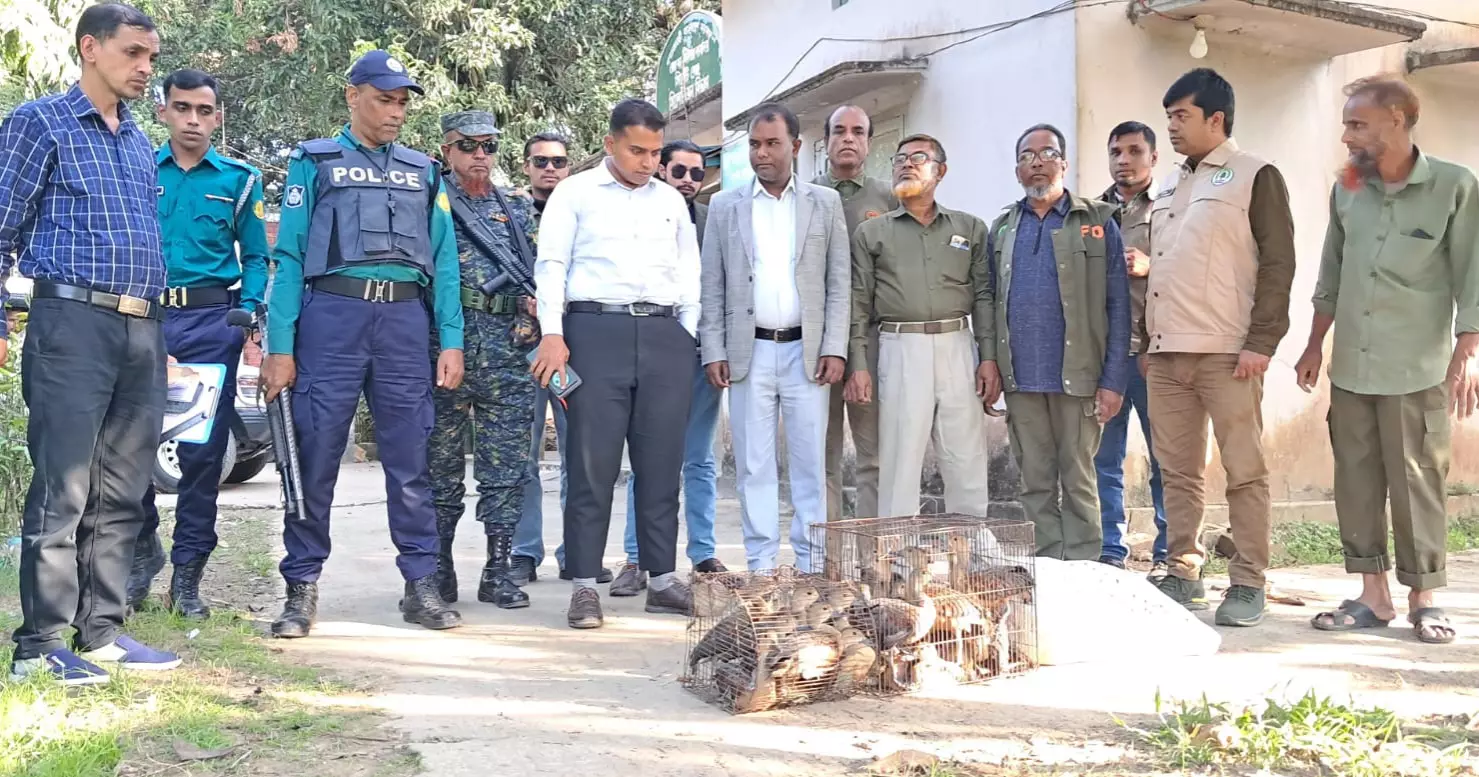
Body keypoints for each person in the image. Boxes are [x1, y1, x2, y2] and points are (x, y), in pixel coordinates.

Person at [0, 3, 181, 684]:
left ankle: (101, 630)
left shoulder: (136, 140)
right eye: (133, 52)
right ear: (90, 49)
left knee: (123, 490)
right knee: (65, 484)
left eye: (151, 56)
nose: (145, 68)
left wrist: (152, 331)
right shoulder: (39, 122)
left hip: (141, 327)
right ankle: (39, 645)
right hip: (71, 323)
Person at [260, 49, 465, 638]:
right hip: (333, 317)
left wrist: (451, 339)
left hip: (403, 322)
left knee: (411, 460)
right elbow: (289, 255)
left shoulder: (424, 172)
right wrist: (280, 346)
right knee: (316, 455)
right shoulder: (314, 162)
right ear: (353, 96)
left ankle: (420, 584)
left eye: (401, 103)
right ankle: (301, 587)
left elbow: (445, 261)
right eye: (383, 100)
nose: (395, 112)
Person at [1300, 75, 1478, 645]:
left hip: (1416, 366)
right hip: (1352, 363)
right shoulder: (1348, 188)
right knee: (1355, 479)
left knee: (1417, 479)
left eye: (1357, 124)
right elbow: (1331, 271)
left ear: (1396, 119)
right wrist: (1313, 344)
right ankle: (1372, 595)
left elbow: (1473, 274)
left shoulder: (1454, 185)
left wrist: (1468, 351)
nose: (1347, 136)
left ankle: (1425, 598)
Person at [531, 98, 698, 629]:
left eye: (655, 153)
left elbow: (688, 270)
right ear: (610, 144)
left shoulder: (670, 200)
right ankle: (584, 584)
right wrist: (552, 334)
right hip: (593, 332)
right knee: (591, 464)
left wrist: (686, 334)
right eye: (637, 151)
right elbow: (551, 265)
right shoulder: (575, 193)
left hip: (664, 334)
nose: (648, 162)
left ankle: (662, 579)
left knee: (662, 464)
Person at [1142, 68, 1296, 627]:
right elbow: (1162, 268)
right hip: (1167, 353)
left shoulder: (1255, 174)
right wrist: (1148, 343)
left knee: (1243, 470)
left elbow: (1278, 263)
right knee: (1177, 472)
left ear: (1216, 118)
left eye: (1181, 116)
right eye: (1169, 117)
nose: (1172, 127)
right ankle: (1184, 572)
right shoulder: (1169, 185)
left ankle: (1249, 581)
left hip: (1229, 353)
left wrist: (1262, 342)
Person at [126, 68, 270, 620]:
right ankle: (142, 550)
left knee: (201, 455)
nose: (193, 120)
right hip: (144, 320)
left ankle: (187, 577)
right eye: (182, 108)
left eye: (204, 111)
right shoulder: (138, 168)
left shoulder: (240, 180)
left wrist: (248, 310)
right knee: (130, 448)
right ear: (162, 111)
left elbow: (256, 256)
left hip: (212, 326)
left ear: (217, 117)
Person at [699, 103, 850, 572]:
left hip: (808, 353)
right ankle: (761, 565)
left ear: (796, 146)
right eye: (754, 145)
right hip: (750, 353)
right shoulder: (725, 206)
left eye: (771, 144)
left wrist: (834, 346)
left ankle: (812, 564)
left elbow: (839, 281)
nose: (761, 153)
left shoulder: (825, 203)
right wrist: (714, 349)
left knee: (809, 464)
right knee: (754, 465)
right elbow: (712, 284)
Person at [980, 124, 1130, 562]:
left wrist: (1113, 381)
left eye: (1047, 153)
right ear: (1017, 171)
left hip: (1079, 378)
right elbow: (988, 299)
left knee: (1079, 478)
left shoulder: (1096, 222)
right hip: (1022, 378)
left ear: (1064, 163)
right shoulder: (1003, 228)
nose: (1037, 163)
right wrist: (989, 362)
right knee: (1034, 481)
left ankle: (1084, 567)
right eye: (1027, 156)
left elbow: (1118, 305)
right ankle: (1047, 566)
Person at [846, 134, 992, 520]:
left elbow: (984, 297)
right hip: (900, 347)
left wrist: (989, 358)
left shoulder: (970, 228)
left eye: (919, 158)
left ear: (940, 171)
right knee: (899, 459)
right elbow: (858, 304)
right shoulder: (872, 233)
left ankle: (970, 542)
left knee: (965, 454)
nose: (906, 164)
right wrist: (858, 363)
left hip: (958, 345)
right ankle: (896, 549)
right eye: (899, 159)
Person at [426, 110, 539, 610]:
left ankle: (498, 570)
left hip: (506, 349)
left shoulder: (516, 207)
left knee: (507, 466)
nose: (479, 156)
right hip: (442, 348)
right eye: (468, 146)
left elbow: (538, 266)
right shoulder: (427, 200)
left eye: (488, 146)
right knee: (439, 465)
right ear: (447, 151)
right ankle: (439, 569)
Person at [612, 138, 726, 595]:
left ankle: (703, 554)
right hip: (650, 355)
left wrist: (718, 350)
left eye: (697, 173)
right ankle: (636, 558)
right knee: (648, 459)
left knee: (699, 459)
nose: (688, 181)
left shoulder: (712, 223)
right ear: (661, 170)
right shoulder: (637, 216)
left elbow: (721, 288)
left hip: (699, 358)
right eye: (679, 171)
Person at [508, 131, 613, 586]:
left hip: (578, 349)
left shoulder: (587, 211)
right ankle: (523, 552)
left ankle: (577, 552)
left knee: (581, 456)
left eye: (558, 161)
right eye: (541, 161)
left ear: (570, 167)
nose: (550, 168)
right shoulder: (507, 214)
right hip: (524, 349)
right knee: (523, 456)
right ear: (526, 166)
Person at [814, 105, 895, 522]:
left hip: (871, 340)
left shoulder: (889, 199)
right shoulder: (806, 196)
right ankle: (827, 548)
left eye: (858, 131)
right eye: (839, 130)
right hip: (816, 343)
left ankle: (870, 549)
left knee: (873, 454)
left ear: (869, 141)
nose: (848, 138)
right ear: (826, 139)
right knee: (821, 455)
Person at [1095, 121, 1169, 577]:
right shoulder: (1092, 213)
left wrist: (1152, 266)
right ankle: (1110, 550)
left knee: (1167, 460)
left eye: (1135, 151)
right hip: (1107, 359)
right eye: (1116, 151)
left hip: (1155, 354)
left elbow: (1198, 270)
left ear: (1153, 157)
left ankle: (1170, 555)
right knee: (1104, 459)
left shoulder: (1172, 208)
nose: (1124, 160)